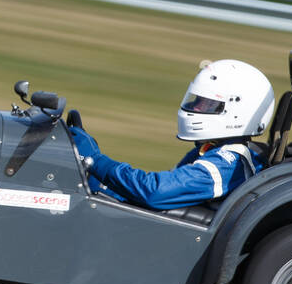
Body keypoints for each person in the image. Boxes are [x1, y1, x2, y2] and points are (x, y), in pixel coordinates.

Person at [68, 59, 275, 210]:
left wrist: (94, 160)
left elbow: (154, 192)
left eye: (207, 104)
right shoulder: (210, 152)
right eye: (197, 100)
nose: (196, 107)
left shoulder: (226, 165)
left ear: (237, 111)